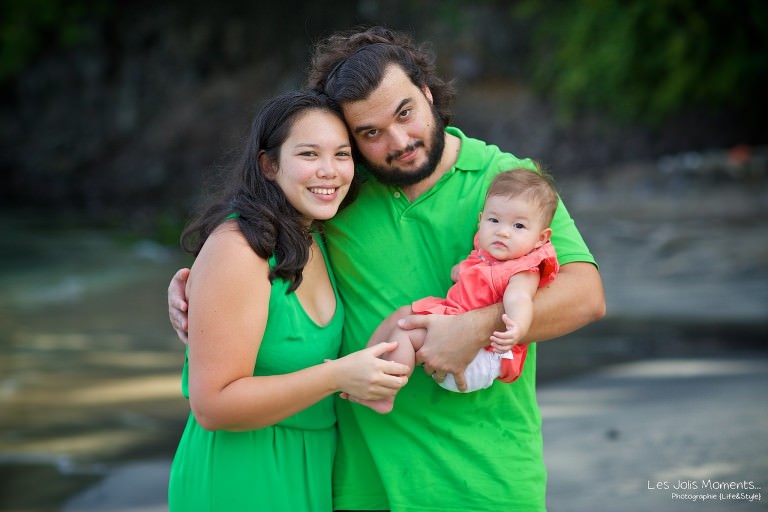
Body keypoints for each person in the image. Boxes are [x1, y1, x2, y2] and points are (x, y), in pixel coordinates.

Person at [169, 26, 605, 511]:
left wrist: (474, 327)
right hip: (356, 486)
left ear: (426, 92)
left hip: (485, 482)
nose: (398, 142)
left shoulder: (508, 185)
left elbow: (585, 295)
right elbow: (254, 238)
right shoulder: (339, 194)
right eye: (370, 134)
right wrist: (196, 285)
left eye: (405, 113)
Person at [166, 89, 409, 512]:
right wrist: (336, 377)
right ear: (269, 164)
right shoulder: (239, 249)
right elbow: (212, 405)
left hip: (309, 468)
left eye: (343, 154)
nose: (329, 171)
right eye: (309, 154)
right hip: (240, 475)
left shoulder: (315, 236)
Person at [348, 167, 560, 414]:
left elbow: (519, 298)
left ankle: (384, 394)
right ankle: (361, 364)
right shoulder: (487, 254)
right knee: (403, 316)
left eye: (519, 226)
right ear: (481, 220)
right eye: (494, 220)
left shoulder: (523, 269)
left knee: (404, 334)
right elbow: (470, 276)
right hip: (456, 321)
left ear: (541, 238)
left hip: (482, 356)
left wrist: (518, 327)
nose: (503, 231)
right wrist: (462, 270)